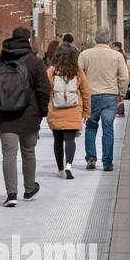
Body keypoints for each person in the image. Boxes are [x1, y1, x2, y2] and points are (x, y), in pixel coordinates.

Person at [0, 26, 51, 207]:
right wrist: (42, 112)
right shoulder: (35, 62)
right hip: (30, 115)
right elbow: (44, 90)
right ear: (29, 40)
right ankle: (28, 190)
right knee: (28, 152)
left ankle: (11, 194)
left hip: (5, 116)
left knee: (8, 155)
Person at [79, 29, 129, 172]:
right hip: (110, 95)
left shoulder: (85, 54)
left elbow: (79, 75)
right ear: (108, 40)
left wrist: (81, 95)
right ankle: (107, 162)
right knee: (108, 129)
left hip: (91, 96)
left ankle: (91, 158)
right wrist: (121, 94)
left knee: (91, 126)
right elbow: (124, 77)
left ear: (95, 39)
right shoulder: (117, 56)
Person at [46, 44, 90, 180]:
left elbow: (45, 90)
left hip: (55, 110)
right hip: (73, 110)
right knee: (70, 139)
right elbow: (86, 92)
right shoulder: (78, 71)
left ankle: (60, 169)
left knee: (57, 140)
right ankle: (69, 165)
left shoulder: (52, 71)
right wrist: (86, 111)